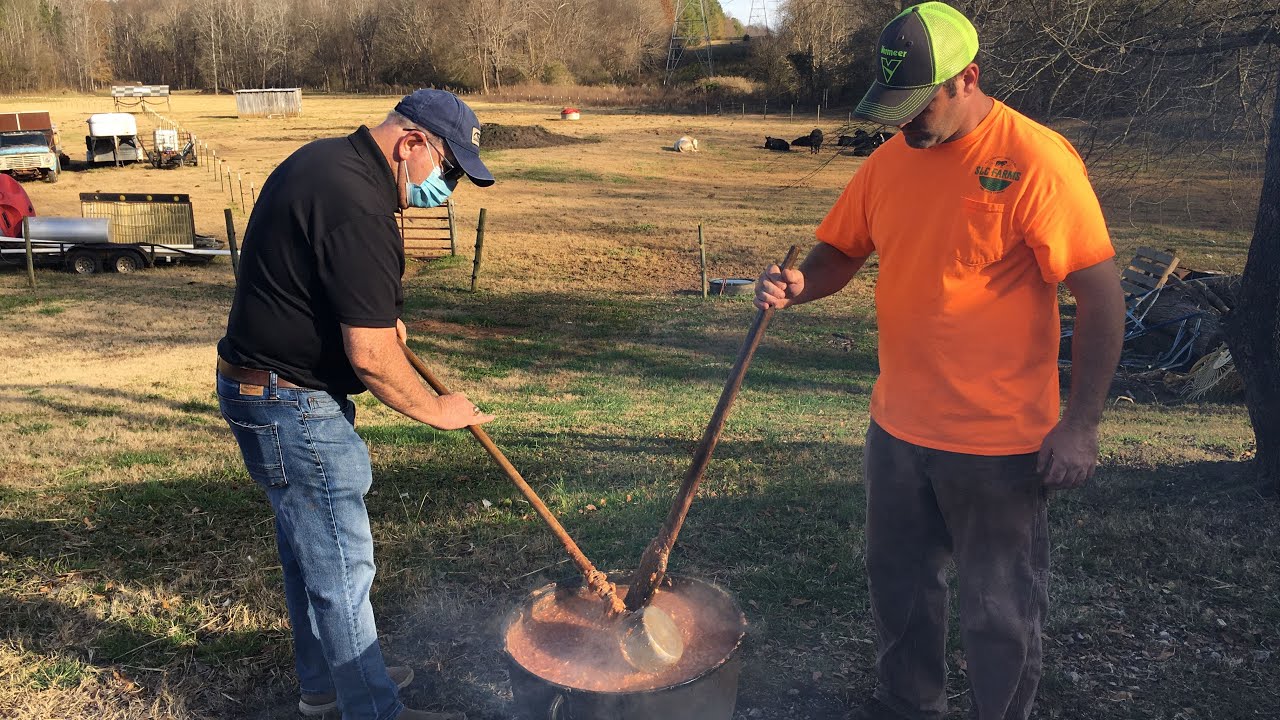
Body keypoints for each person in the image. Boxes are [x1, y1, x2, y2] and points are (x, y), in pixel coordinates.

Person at [755, 4, 1124, 719]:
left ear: (967, 80)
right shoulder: (891, 160)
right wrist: (803, 284)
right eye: (892, 107)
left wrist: (1080, 425)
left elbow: (1101, 298)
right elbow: (841, 250)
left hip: (998, 446)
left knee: (999, 612)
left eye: (917, 105)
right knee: (900, 590)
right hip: (896, 433)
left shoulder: (1037, 160)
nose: (904, 123)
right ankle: (909, 708)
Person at [216, 89, 496, 720]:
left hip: (264, 386)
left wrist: (374, 318)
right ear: (413, 142)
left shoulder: (323, 162)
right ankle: (372, 708)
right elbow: (370, 356)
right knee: (342, 565)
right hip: (291, 402)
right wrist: (436, 408)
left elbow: (322, 287)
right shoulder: (362, 206)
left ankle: (327, 685)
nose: (446, 189)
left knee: (308, 552)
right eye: (449, 172)